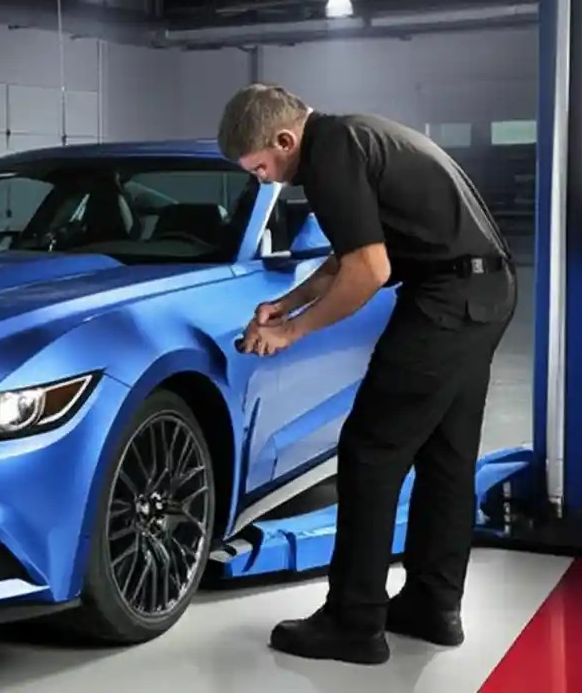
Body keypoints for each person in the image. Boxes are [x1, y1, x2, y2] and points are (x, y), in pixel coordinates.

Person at [216, 84, 517, 665]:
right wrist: (290, 303)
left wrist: (291, 333)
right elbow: (345, 258)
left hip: (448, 298)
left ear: (285, 140)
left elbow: (370, 269)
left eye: (261, 167)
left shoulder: (329, 156)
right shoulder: (351, 136)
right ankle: (432, 605)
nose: (265, 181)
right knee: (444, 455)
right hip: (484, 288)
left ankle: (353, 623)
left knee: (368, 451)